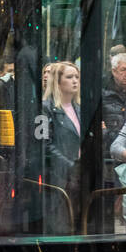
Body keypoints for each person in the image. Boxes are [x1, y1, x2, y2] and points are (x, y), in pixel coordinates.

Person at [42, 60, 84, 210]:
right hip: (59, 176)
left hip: (79, 175)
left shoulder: (80, 108)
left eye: (77, 77)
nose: (74, 81)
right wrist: (70, 165)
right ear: (58, 82)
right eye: (69, 77)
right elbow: (44, 145)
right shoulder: (44, 108)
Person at [101, 52, 126, 152]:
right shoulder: (103, 92)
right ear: (114, 71)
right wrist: (106, 134)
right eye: (123, 70)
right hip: (108, 151)